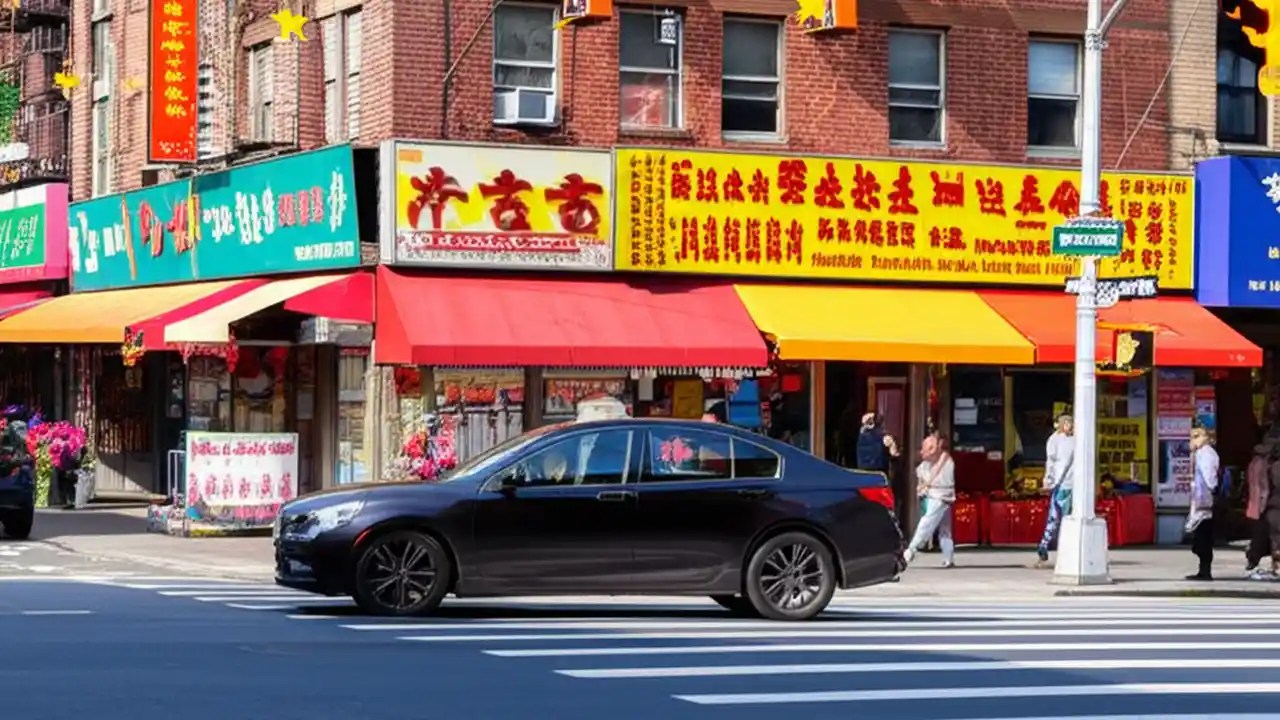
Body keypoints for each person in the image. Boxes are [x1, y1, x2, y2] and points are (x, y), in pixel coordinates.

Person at [902, 434, 956, 568]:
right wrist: (921, 488)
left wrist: (926, 484)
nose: (923, 452)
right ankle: (948, 557)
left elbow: (934, 473)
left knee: (926, 523)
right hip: (935, 496)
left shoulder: (945, 458)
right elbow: (920, 479)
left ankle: (911, 550)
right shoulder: (924, 465)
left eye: (928, 448)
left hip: (941, 496)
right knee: (944, 528)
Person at [1035, 414, 1076, 569]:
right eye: (1066, 423)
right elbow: (1050, 462)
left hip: (1074, 484)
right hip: (1061, 484)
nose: (1069, 425)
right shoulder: (1054, 440)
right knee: (1055, 518)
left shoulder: (1077, 438)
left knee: (1067, 519)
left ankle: (1065, 550)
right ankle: (1044, 547)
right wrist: (1048, 480)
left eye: (1071, 422)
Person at [1185, 427, 1219, 581]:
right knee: (1200, 537)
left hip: (1204, 501)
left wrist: (1209, 494)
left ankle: (1205, 570)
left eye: (1196, 436)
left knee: (1202, 538)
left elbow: (1209, 478)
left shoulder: (1206, 454)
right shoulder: (1201, 453)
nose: (1192, 440)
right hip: (1200, 499)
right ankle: (1203, 569)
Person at [1246, 441, 1273, 577]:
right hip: (1261, 503)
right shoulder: (1261, 464)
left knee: (1259, 533)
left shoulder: (1254, 463)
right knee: (1262, 533)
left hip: (1255, 503)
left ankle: (1253, 558)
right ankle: (1254, 558)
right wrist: (1263, 504)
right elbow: (1263, 486)